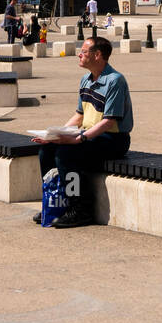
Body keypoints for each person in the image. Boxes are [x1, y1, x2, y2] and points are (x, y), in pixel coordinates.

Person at [30, 35, 133, 228]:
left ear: (98, 55)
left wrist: (79, 139)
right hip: (90, 135)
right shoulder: (85, 80)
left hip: (113, 139)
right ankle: (55, 204)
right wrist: (54, 135)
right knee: (47, 150)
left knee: (67, 154)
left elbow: (109, 122)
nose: (79, 55)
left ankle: (79, 209)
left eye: (84, 52)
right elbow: (79, 116)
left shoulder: (115, 81)